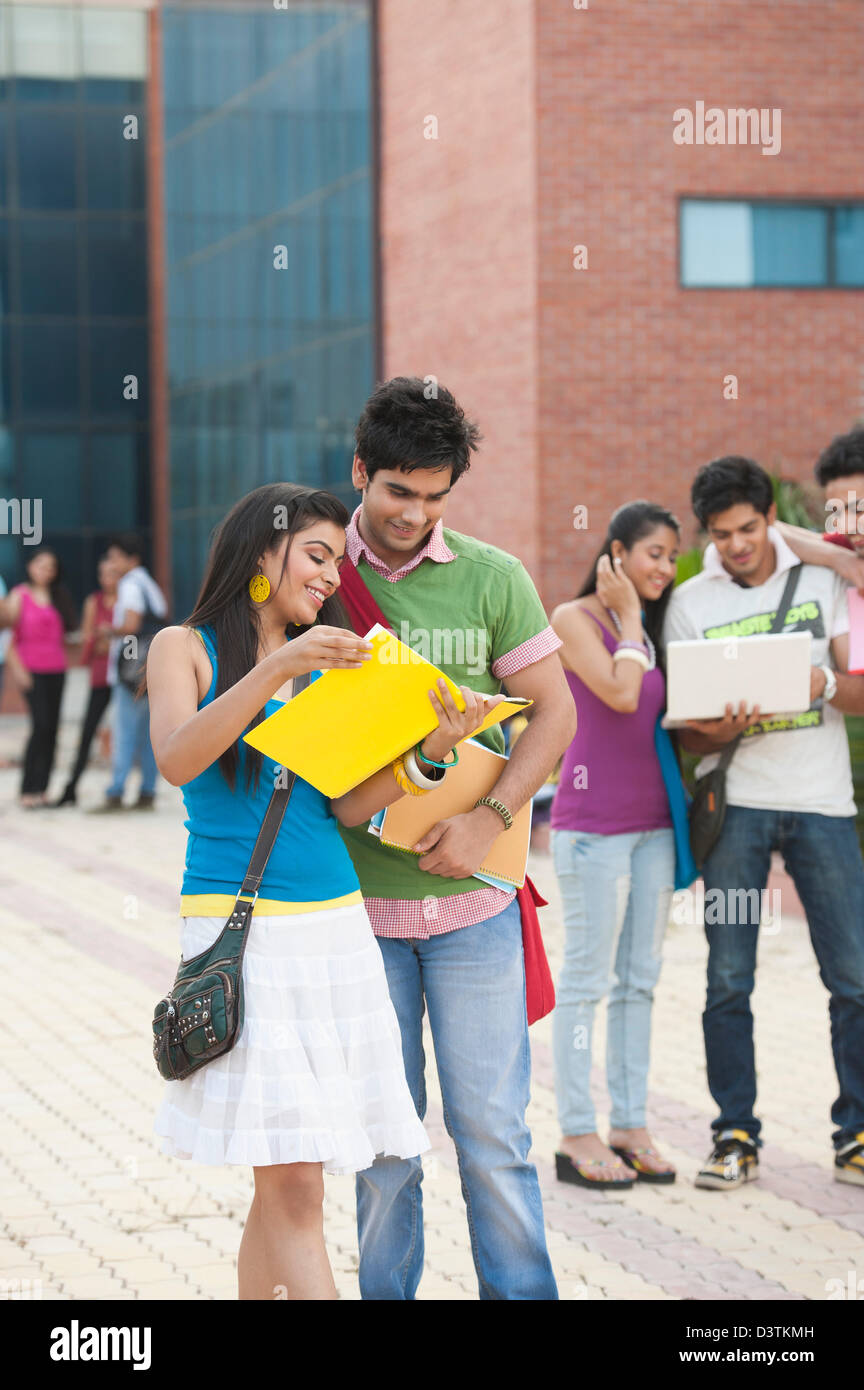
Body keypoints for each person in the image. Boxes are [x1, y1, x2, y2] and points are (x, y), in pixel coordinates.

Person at [147, 482, 492, 1300]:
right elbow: (176, 758)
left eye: (337, 562)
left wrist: (431, 753)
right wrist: (276, 665)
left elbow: (340, 806)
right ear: (262, 552)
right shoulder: (182, 647)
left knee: (292, 1181)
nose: (331, 577)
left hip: (334, 933)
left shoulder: (331, 663)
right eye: (316, 555)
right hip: (242, 935)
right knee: (294, 1184)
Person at [337, 377, 576, 1301]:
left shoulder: (493, 576)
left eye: (436, 497)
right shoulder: (321, 576)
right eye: (398, 491)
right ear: (361, 470)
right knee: (383, 1149)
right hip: (354, 912)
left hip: (474, 908)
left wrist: (494, 816)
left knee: (495, 1141)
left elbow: (553, 713)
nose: (415, 514)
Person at [665, 456, 864, 1190]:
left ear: (770, 516)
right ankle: (735, 1135)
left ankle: (857, 1132)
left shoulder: (825, 578)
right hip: (737, 807)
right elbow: (686, 734)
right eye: (722, 535)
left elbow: (863, 691)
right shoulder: (691, 601)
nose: (737, 546)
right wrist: (720, 728)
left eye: (748, 529)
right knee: (727, 978)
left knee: (855, 978)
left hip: (823, 805)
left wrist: (821, 684)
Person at [549, 501, 695, 1190]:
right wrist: (631, 621)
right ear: (616, 554)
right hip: (592, 829)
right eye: (654, 554)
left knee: (639, 981)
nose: (666, 566)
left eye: (672, 555)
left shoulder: (661, 626)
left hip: (655, 826)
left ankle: (631, 1124)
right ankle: (578, 1130)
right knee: (586, 983)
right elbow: (616, 692)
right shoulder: (573, 620)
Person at [91, 532, 167, 812]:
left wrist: (108, 630)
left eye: (115, 557)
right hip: (150, 666)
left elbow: (133, 624)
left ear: (131, 559)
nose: (112, 562)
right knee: (149, 733)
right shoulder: (149, 584)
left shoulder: (131, 585)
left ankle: (116, 791)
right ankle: (147, 791)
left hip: (130, 670)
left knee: (124, 732)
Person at [0, 548, 78, 807]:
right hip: (31, 670)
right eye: (40, 564)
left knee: (53, 729)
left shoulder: (59, 596)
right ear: (30, 566)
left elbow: (69, 634)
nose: (45, 570)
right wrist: (18, 671)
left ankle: (43, 789)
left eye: (51, 566)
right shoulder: (18, 595)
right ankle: (27, 789)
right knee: (40, 726)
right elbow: (8, 638)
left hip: (57, 669)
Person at [54, 555, 118, 806]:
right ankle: (71, 786)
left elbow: (131, 637)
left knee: (125, 733)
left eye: (112, 573)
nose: (107, 579)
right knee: (88, 729)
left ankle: (123, 788)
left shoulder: (128, 600)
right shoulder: (95, 601)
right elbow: (88, 638)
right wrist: (101, 642)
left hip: (124, 676)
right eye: (103, 574)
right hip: (101, 673)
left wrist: (109, 639)